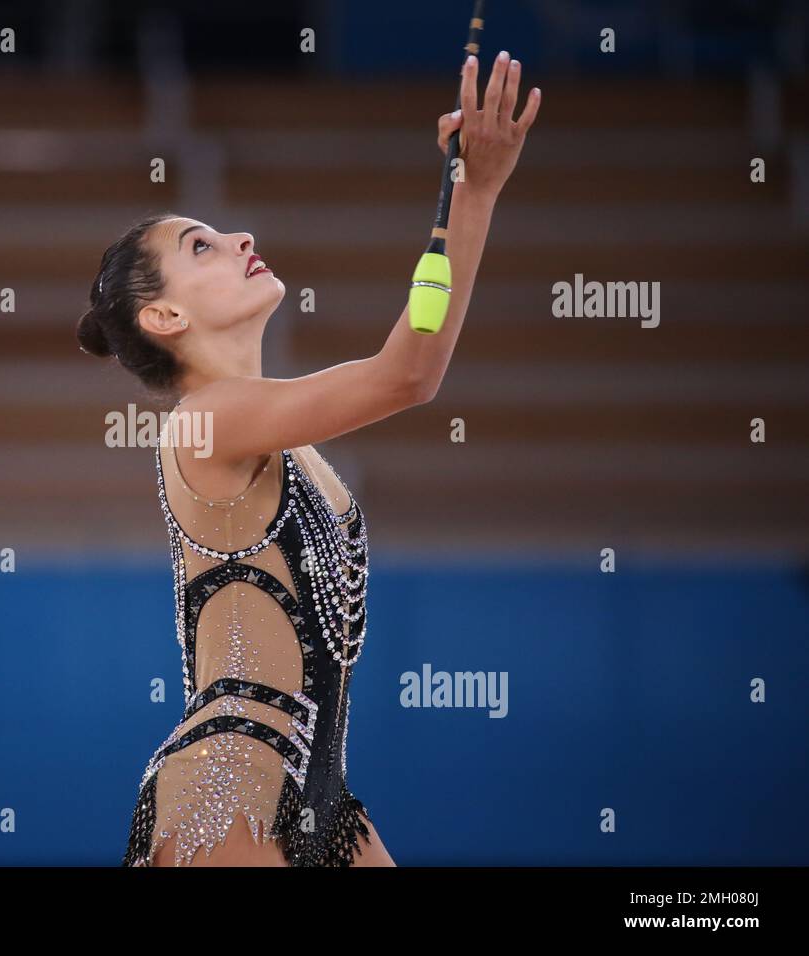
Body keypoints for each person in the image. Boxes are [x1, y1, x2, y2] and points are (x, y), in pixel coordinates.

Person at [78, 51, 540, 866]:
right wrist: (474, 193)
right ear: (163, 316)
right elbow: (408, 372)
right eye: (202, 246)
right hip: (230, 781)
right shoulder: (201, 422)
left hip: (321, 799)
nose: (238, 238)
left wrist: (471, 191)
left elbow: (406, 371)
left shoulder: (286, 440)